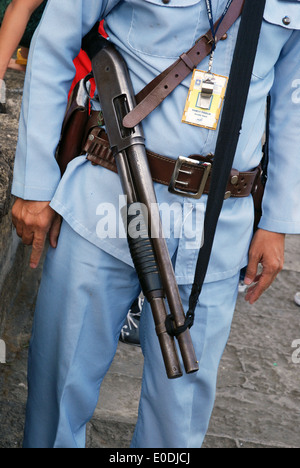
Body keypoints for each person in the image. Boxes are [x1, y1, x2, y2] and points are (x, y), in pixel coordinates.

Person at [11, 0, 300, 448]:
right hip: (108, 194)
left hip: (215, 223)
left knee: (178, 419)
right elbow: (54, 41)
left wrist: (277, 221)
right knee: (60, 386)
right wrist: (34, 183)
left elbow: (294, 98)